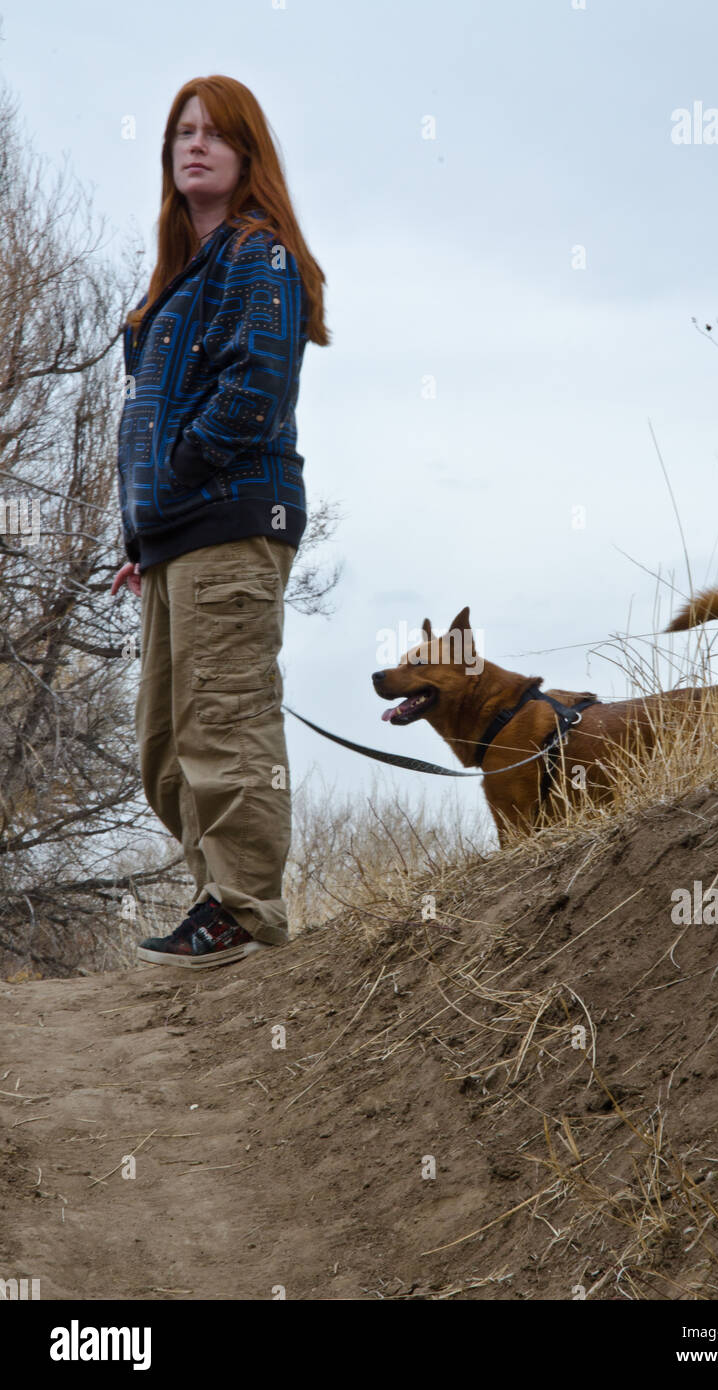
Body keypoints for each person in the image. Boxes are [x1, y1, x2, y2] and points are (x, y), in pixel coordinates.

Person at [111, 75, 329, 968]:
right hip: (172, 536)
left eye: (213, 133)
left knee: (224, 722)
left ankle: (244, 910)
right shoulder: (177, 278)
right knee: (163, 746)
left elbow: (252, 389)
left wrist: (176, 476)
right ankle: (217, 901)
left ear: (246, 154)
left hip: (232, 519)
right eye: (180, 133)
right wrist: (142, 532)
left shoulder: (257, 256)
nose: (193, 145)